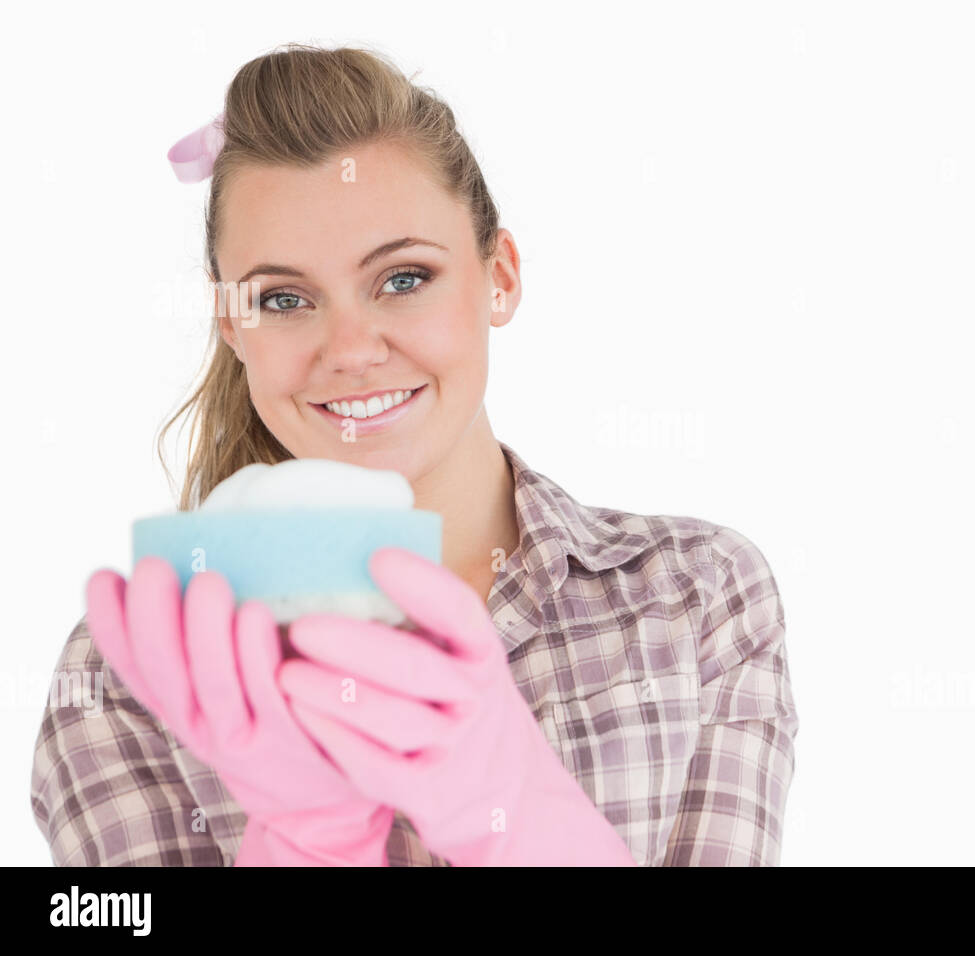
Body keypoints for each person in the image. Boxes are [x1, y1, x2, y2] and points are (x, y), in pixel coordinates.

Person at [30, 42, 798, 866]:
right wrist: (309, 841)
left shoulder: (693, 598)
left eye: (402, 279)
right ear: (231, 324)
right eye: (283, 299)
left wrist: (518, 814)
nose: (351, 350)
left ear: (497, 274)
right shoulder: (138, 674)